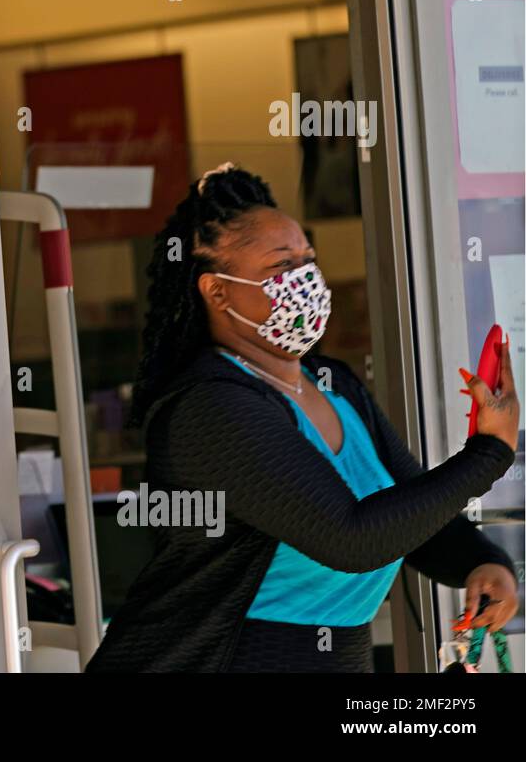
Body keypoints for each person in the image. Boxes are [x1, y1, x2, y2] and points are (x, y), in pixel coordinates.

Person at [86, 163, 519, 672]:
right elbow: (351, 538)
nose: (304, 280)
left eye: (306, 260)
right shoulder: (211, 407)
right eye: (279, 267)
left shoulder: (333, 383)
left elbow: (414, 519)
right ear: (217, 291)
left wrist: (484, 563)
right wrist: (490, 452)